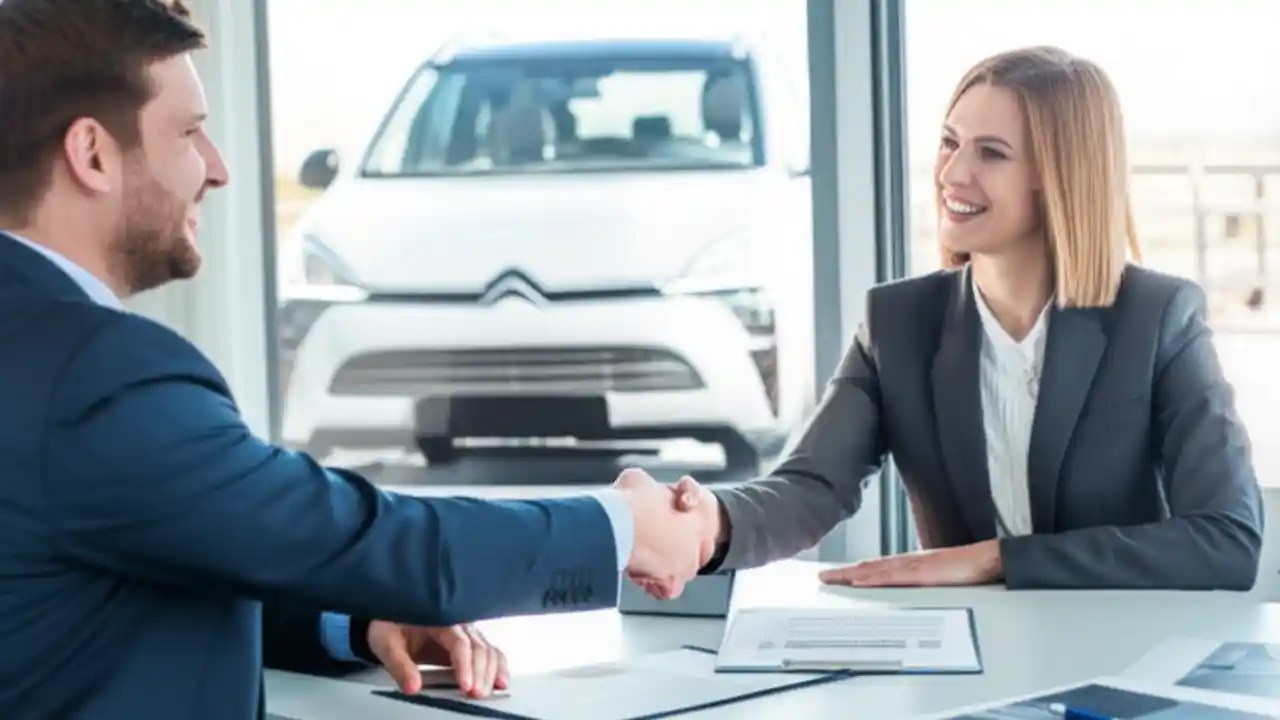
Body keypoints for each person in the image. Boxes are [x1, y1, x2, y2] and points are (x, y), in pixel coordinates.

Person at [0, 2, 714, 718]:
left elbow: (139, 555)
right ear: (91, 153)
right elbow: (358, 535)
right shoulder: (95, 373)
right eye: (189, 133)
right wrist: (622, 526)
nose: (216, 169)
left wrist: (358, 623)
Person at [636, 46, 1265, 597]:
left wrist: (996, 561)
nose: (952, 173)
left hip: (1121, 652)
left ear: (1060, 178)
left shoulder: (1158, 319)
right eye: (949, 141)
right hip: (967, 658)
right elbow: (809, 487)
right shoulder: (899, 322)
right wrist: (706, 522)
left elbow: (1227, 539)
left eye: (990, 153)